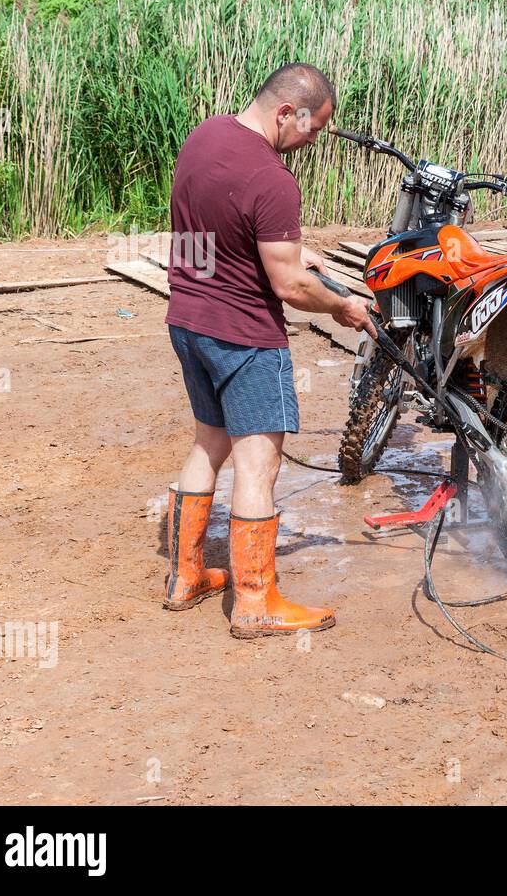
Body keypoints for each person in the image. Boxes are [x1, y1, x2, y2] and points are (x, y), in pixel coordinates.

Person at [162, 62, 376, 638]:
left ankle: (186, 577)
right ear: (287, 113)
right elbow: (286, 287)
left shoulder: (204, 136)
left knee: (209, 443)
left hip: (188, 319)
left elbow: (214, 230)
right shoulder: (274, 178)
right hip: (244, 335)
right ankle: (256, 603)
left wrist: (287, 254)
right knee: (259, 465)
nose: (311, 142)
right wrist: (340, 306)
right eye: (311, 128)